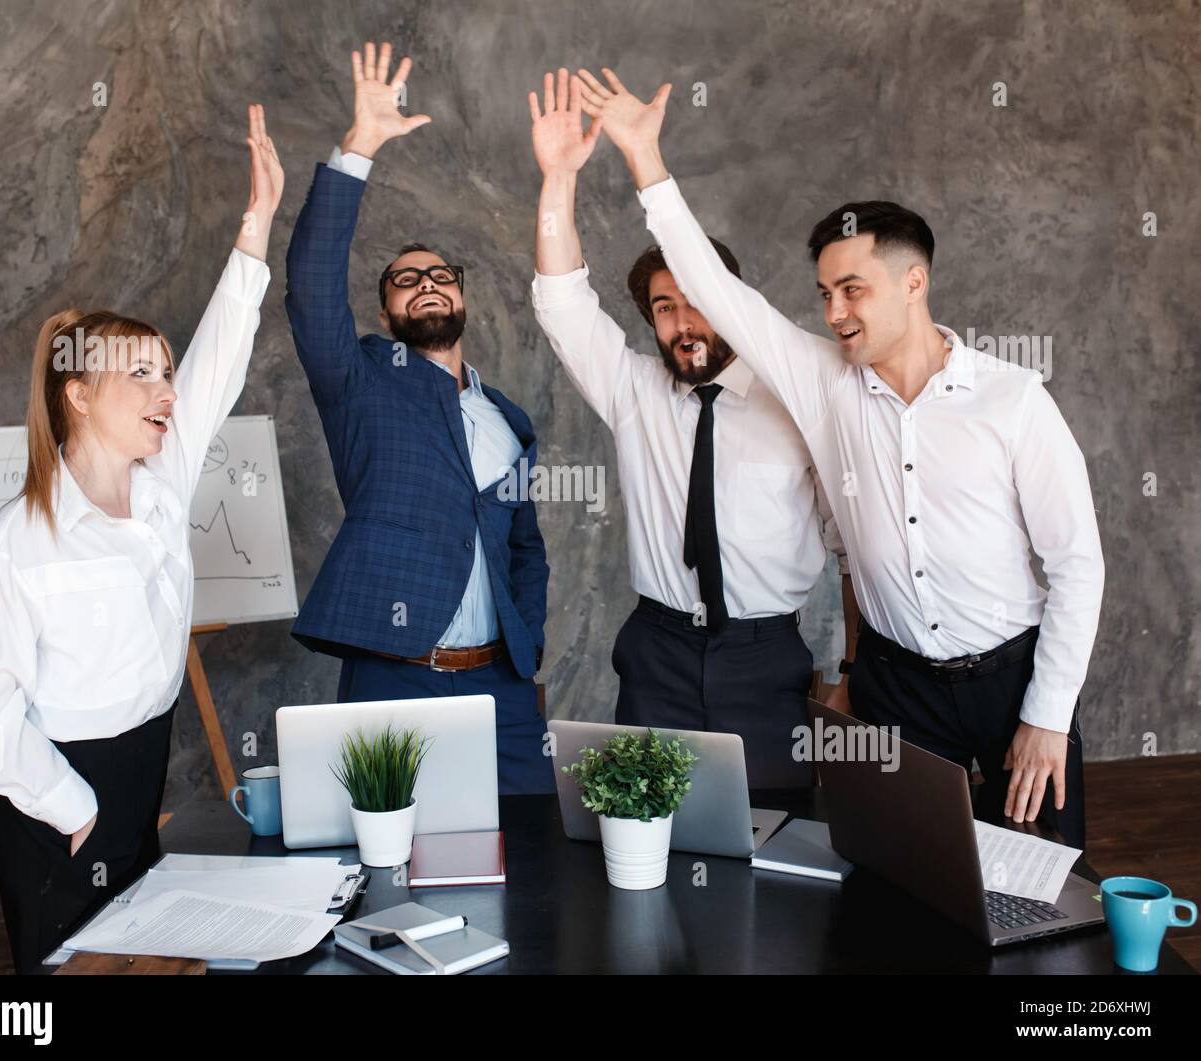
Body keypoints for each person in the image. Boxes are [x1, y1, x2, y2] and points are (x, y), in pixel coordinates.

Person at [576, 67, 1103, 846]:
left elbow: (1078, 565)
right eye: (825, 294)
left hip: (1011, 680)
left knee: (1047, 891)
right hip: (896, 688)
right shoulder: (823, 385)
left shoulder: (1015, 400)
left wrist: (1047, 716)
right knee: (902, 891)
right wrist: (646, 163)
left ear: (914, 281)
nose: (834, 312)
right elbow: (724, 298)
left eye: (852, 290)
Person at [0, 106, 283, 971]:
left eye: (165, 373)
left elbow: (220, 360)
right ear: (79, 396)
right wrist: (74, 808)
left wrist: (257, 224)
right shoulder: (21, 540)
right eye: (139, 373)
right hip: (63, 813)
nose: (166, 389)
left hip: (141, 786)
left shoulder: (163, 487)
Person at [527, 70, 849, 788]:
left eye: (696, 301)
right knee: (646, 834)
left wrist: (852, 668)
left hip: (767, 660)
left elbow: (852, 546)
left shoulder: (793, 398)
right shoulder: (635, 389)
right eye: (664, 307)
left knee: (774, 845)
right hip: (658, 652)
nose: (681, 321)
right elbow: (562, 303)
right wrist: (558, 180)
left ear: (729, 306)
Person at [286, 43, 553, 794]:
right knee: (382, 874)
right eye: (407, 280)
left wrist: (524, 640)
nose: (427, 284)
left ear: (461, 297)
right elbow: (309, 289)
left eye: (441, 275)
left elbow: (526, 548)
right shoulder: (361, 381)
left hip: (499, 691)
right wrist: (360, 145)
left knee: (532, 870)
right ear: (385, 309)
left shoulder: (508, 420)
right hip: (391, 683)